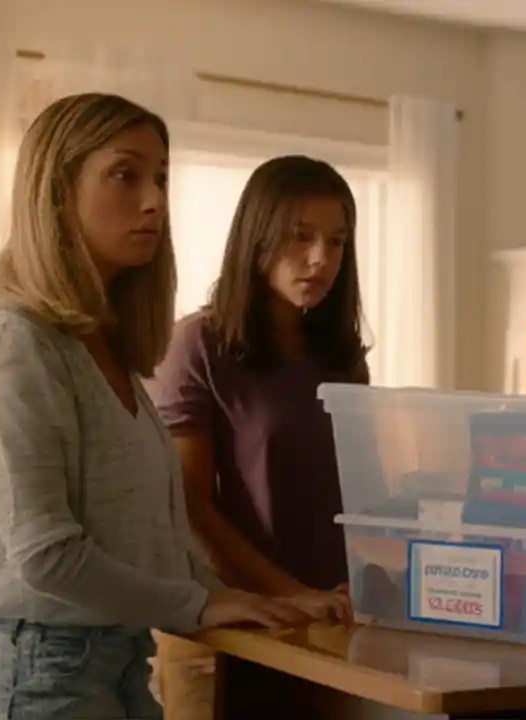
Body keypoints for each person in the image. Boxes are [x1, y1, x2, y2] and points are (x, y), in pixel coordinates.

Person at [0, 93, 310, 720]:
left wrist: (262, 599)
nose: (155, 200)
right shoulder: (9, 341)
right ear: (58, 192)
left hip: (121, 667)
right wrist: (198, 604)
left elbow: (146, 542)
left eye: (161, 177)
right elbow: (46, 557)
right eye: (125, 175)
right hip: (28, 679)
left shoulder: (108, 353)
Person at [148, 156, 366, 717]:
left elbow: (354, 493)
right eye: (301, 236)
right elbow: (191, 506)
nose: (320, 258)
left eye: (337, 242)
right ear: (257, 236)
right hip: (224, 628)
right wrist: (288, 593)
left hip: (324, 625)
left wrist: (357, 584)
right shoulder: (198, 344)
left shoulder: (341, 359)